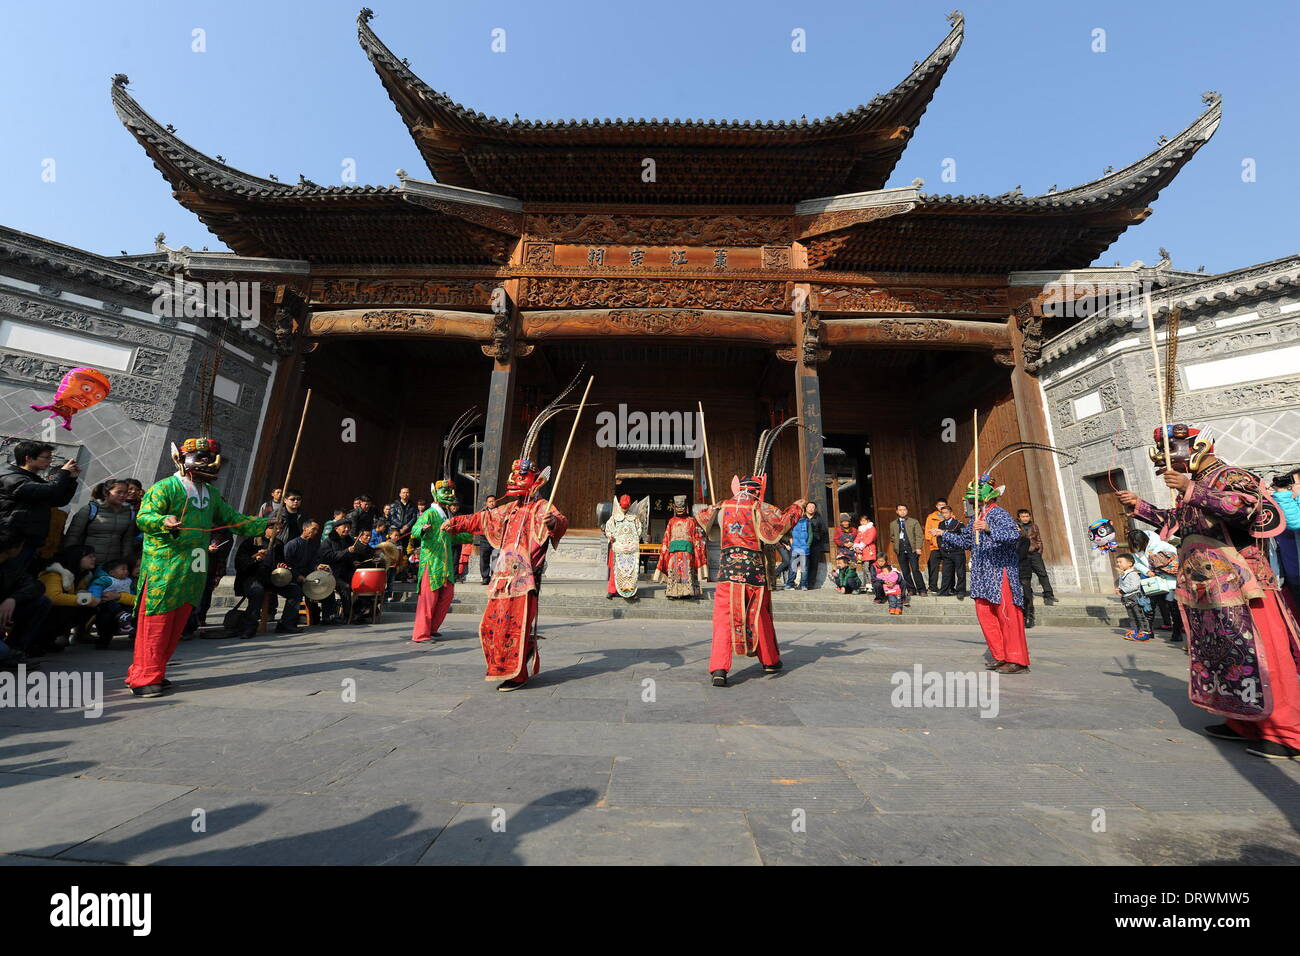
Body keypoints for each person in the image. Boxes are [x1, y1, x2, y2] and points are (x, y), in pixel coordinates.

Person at [1117, 424, 1300, 759]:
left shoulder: (1230, 475)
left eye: (1173, 450)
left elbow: (1252, 510)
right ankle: (1243, 721)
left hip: (1246, 587)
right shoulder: (1195, 485)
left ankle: (1287, 733)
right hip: (1209, 592)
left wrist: (1192, 489)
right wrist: (1141, 507)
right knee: (1224, 656)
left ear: (1199, 446)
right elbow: (1178, 524)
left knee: (1266, 656)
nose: (1167, 459)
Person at [128, 437, 273, 697]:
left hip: (195, 562)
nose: (206, 462)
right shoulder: (165, 487)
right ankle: (143, 677)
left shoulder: (210, 493)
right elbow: (143, 517)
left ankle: (157, 671)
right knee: (157, 621)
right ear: (180, 458)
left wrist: (264, 524)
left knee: (179, 621)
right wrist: (164, 520)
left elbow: (232, 519)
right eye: (200, 457)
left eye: (210, 457)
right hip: (165, 564)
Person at [442, 457, 568, 690]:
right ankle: (516, 656)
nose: (513, 481)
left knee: (514, 627)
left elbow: (561, 522)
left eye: (521, 478)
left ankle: (517, 674)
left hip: (525, 579)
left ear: (536, 481)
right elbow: (483, 518)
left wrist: (552, 522)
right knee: (491, 626)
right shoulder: (509, 509)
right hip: (501, 578)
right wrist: (457, 522)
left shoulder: (543, 507)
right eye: (513, 477)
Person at [695, 421, 804, 687]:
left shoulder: (723, 504)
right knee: (760, 613)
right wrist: (796, 508)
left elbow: (702, 517)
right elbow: (774, 530)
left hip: (728, 571)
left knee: (722, 618)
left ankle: (719, 668)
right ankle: (769, 660)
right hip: (754, 572)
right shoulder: (760, 507)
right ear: (759, 489)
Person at [939, 473, 1029, 674]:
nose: (971, 502)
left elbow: (1014, 534)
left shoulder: (998, 513)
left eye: (973, 499)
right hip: (981, 574)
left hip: (999, 571)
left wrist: (988, 528)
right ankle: (1000, 655)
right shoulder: (975, 518)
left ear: (985, 497)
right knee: (985, 615)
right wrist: (944, 534)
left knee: (1007, 615)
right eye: (970, 500)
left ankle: (1017, 659)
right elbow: (967, 543)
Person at [409, 481, 474, 642]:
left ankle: (432, 628)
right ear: (435, 494)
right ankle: (420, 633)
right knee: (428, 598)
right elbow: (414, 530)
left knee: (447, 595)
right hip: (431, 562)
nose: (449, 494)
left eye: (451, 491)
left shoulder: (446, 515)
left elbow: (453, 537)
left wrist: (471, 533)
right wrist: (422, 529)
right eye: (445, 491)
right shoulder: (430, 513)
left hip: (446, 563)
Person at [0, 441, 80, 568]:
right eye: (47, 457)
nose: (50, 461)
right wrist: (63, 473)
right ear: (29, 458)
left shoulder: (32, 479)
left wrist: (71, 479)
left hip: (26, 539)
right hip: (10, 538)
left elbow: (58, 500)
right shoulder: (12, 478)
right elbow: (51, 491)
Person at [39, 545, 122, 654]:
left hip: (61, 611)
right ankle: (44, 640)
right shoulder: (55, 573)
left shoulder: (84, 575)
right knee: (73, 609)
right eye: (89, 557)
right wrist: (87, 600)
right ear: (76, 558)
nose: (94, 559)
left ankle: (62, 637)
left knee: (95, 607)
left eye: (94, 556)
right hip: (46, 613)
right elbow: (53, 597)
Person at [233, 523, 301, 638]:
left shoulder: (278, 544)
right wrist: (256, 559)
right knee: (257, 591)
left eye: (280, 528)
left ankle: (286, 624)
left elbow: (280, 562)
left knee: (294, 590)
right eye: (276, 528)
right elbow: (240, 565)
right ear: (266, 528)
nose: (278, 531)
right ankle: (249, 627)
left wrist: (281, 565)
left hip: (271, 578)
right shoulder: (251, 542)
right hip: (252, 578)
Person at [0, 526, 51, 666]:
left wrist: (13, 599)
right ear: (13, 548)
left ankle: (16, 650)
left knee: (42, 602)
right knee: (3, 652)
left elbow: (36, 586)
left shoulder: (11, 565)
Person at [62, 478, 137, 567]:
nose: (123, 495)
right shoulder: (90, 510)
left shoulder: (129, 513)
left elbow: (127, 541)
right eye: (119, 492)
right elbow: (73, 536)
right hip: (87, 563)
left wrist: (125, 562)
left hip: (112, 566)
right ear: (106, 493)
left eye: (125, 492)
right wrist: (69, 559)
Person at [1127, 528, 1183, 643]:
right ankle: (1148, 631)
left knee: (1172, 606)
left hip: (1169, 580)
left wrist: (1161, 567)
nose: (1137, 546)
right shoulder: (1137, 551)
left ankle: (1177, 632)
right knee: (1149, 606)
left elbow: (1176, 558)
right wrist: (1147, 571)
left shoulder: (1161, 545)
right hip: (1153, 581)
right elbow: (1136, 563)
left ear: (1144, 540)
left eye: (1138, 543)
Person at [654, 495, 709, 599]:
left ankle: (688, 591)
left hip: (687, 551)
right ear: (675, 508)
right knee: (673, 569)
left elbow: (696, 538)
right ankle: (672, 592)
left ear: (686, 507)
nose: (680, 509)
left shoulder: (691, 521)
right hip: (673, 551)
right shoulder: (671, 521)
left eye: (682, 507)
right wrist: (665, 549)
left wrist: (697, 550)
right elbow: (667, 537)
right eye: (678, 507)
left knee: (687, 570)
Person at [319, 518, 372, 624]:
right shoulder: (328, 541)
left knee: (364, 584)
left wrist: (360, 558)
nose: (347, 529)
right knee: (345, 587)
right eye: (345, 527)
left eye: (349, 527)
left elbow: (356, 554)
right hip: (333, 574)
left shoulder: (349, 540)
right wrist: (346, 551)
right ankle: (348, 615)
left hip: (348, 572)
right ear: (336, 528)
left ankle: (361, 611)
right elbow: (328, 557)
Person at [86, 557, 136, 647]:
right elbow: (96, 587)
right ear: (112, 573)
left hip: (123, 604)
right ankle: (104, 639)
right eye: (123, 569)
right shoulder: (106, 579)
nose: (126, 571)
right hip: (106, 604)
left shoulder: (128, 581)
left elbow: (131, 592)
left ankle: (126, 624)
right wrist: (96, 598)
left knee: (132, 610)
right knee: (107, 611)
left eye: (127, 569)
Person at [604, 494, 645, 600]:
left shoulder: (634, 518)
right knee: (615, 570)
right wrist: (611, 536)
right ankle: (612, 590)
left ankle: (631, 591)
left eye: (626, 507)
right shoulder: (614, 517)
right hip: (618, 547)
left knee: (632, 571)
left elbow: (639, 531)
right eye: (622, 507)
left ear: (629, 505)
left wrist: (634, 540)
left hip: (631, 549)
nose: (624, 509)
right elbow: (608, 529)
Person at [1015, 509, 1056, 607]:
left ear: (1030, 516)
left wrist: (1039, 551)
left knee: (1042, 572)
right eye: (1023, 517)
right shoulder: (1016, 526)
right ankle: (1028, 594)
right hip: (1023, 554)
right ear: (1019, 517)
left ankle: (1048, 594)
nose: (1025, 518)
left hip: (1034, 553)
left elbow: (1038, 539)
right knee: (1025, 576)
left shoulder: (1034, 526)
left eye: (1027, 516)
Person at [1113, 552, 1155, 641]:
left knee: (1139, 615)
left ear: (1130, 564)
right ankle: (1134, 630)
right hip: (1127, 598)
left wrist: (1123, 590)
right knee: (1132, 616)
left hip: (1135, 597)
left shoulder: (1133, 574)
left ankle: (1144, 632)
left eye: (1120, 562)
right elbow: (1122, 585)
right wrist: (1119, 590)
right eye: (1118, 562)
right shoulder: (1123, 574)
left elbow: (1135, 586)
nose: (1118, 564)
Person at [889, 504, 927, 597]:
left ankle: (922, 590)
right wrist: (897, 543)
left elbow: (919, 535)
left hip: (912, 549)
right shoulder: (893, 523)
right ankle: (911, 589)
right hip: (901, 550)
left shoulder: (913, 522)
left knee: (915, 570)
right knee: (905, 571)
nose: (902, 511)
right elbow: (892, 536)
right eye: (900, 510)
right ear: (897, 511)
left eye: (904, 510)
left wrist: (918, 547)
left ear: (907, 511)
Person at [933, 505, 966, 596]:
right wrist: (941, 548)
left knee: (960, 572)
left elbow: (963, 537)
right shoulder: (941, 524)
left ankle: (961, 591)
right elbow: (939, 538)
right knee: (946, 572)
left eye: (946, 513)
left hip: (957, 552)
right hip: (946, 552)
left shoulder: (958, 524)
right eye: (943, 513)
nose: (944, 515)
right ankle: (944, 590)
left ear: (951, 513)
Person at [924, 498, 948, 593]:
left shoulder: (951, 516)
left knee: (948, 567)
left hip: (947, 546)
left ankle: (947, 587)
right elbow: (927, 532)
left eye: (943, 504)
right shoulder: (931, 517)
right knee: (933, 566)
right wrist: (933, 541)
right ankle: (932, 586)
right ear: (936, 506)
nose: (941, 506)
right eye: (939, 505)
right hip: (935, 546)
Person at [787, 507, 811, 589]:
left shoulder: (807, 522)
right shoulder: (792, 522)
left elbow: (810, 535)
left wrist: (807, 544)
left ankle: (803, 585)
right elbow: (788, 533)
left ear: (803, 512)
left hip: (804, 548)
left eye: (801, 511)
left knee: (804, 568)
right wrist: (791, 543)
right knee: (793, 566)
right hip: (795, 547)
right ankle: (790, 584)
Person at [476, 494, 498, 584]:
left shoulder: (500, 511)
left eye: (493, 501)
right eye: (490, 502)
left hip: (496, 539)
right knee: (484, 558)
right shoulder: (482, 513)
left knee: (496, 558)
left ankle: (495, 577)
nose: (492, 503)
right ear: (486, 503)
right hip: (485, 539)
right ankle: (485, 577)